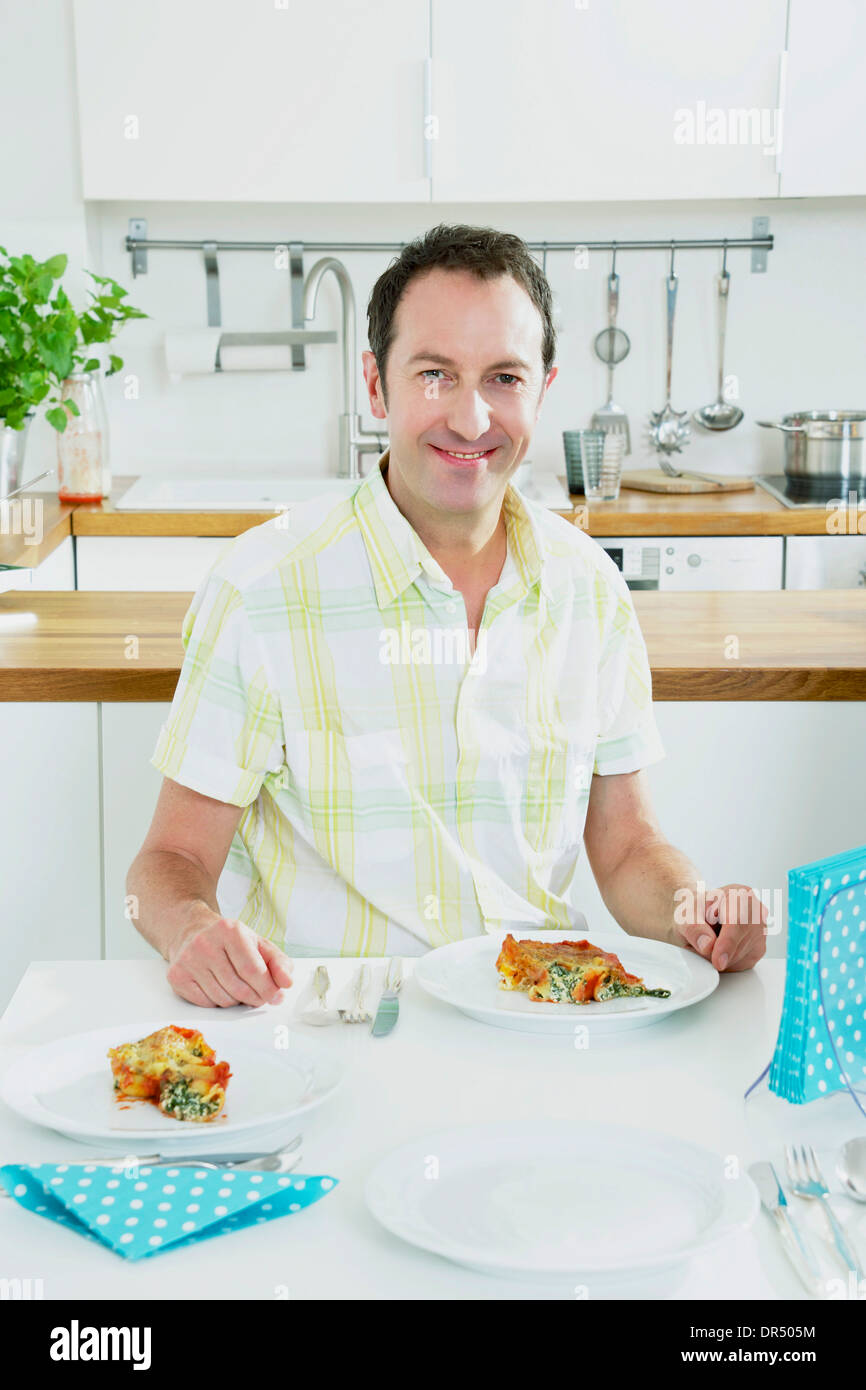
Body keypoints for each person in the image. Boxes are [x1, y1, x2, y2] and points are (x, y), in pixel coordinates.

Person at [127, 223, 767, 1008]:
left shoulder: (590, 589)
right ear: (375, 385)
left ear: (542, 388)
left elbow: (627, 845)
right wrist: (191, 927)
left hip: (542, 1015)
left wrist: (693, 915)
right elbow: (168, 860)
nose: (470, 420)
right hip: (337, 1024)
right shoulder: (262, 588)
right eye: (435, 374)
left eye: (503, 377)